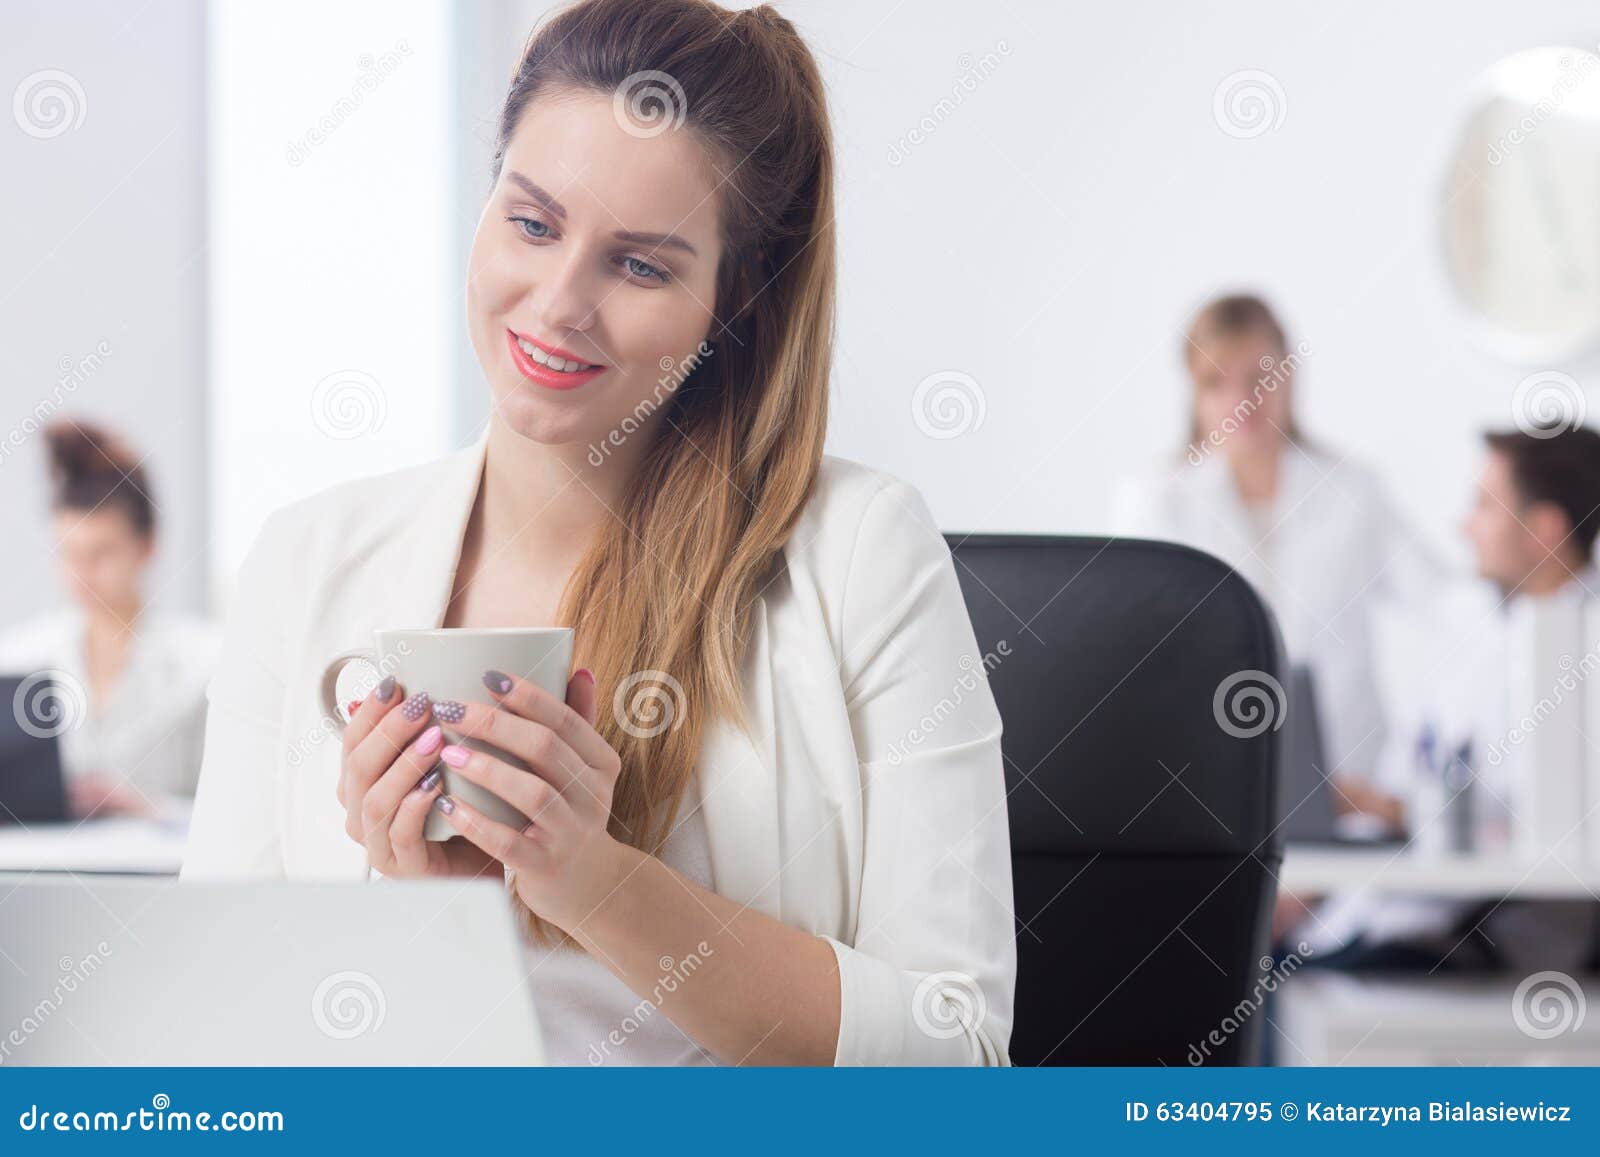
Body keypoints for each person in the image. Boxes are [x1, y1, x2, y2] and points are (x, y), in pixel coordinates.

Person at [180, 0, 1015, 1067]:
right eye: (532, 223)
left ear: (734, 300)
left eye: (640, 265)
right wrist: (421, 925)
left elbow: (961, 1055)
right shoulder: (305, 560)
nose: (558, 303)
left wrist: (592, 879)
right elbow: (213, 1038)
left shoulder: (863, 553)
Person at [1284, 424, 1600, 973]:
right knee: (1258, 951)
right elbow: (1416, 771)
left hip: (1506, 924)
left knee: (1305, 976)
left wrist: (1396, 808)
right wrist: (1361, 820)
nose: (1464, 526)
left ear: (1545, 529)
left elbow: (1536, 823)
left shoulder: (1583, 646)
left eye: (1484, 506)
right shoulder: (1471, 627)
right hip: (1405, 902)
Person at [1111, 294, 1442, 802]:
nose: (1244, 400)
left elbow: (1444, 604)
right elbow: (1129, 654)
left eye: (1260, 378)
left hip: (1351, 785)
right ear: (1193, 393)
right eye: (1218, 382)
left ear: (1289, 377)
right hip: (1205, 782)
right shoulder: (1156, 502)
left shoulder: (1353, 492)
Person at [0, 419, 220, 819]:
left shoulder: (206, 663)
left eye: (101, 554)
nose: (80, 575)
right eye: (69, 554)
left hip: (161, 873)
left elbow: (233, 817)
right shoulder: (19, 655)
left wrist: (150, 808)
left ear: (147, 546)